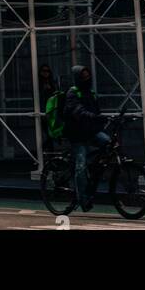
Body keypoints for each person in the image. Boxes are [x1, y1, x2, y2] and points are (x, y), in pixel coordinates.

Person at [62, 63, 110, 210]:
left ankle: (95, 170)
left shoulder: (92, 93)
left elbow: (97, 111)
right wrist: (93, 117)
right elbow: (78, 111)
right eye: (83, 76)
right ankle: (83, 199)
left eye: (88, 76)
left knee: (109, 144)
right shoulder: (72, 93)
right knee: (81, 166)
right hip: (77, 135)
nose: (86, 78)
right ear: (77, 78)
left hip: (91, 131)